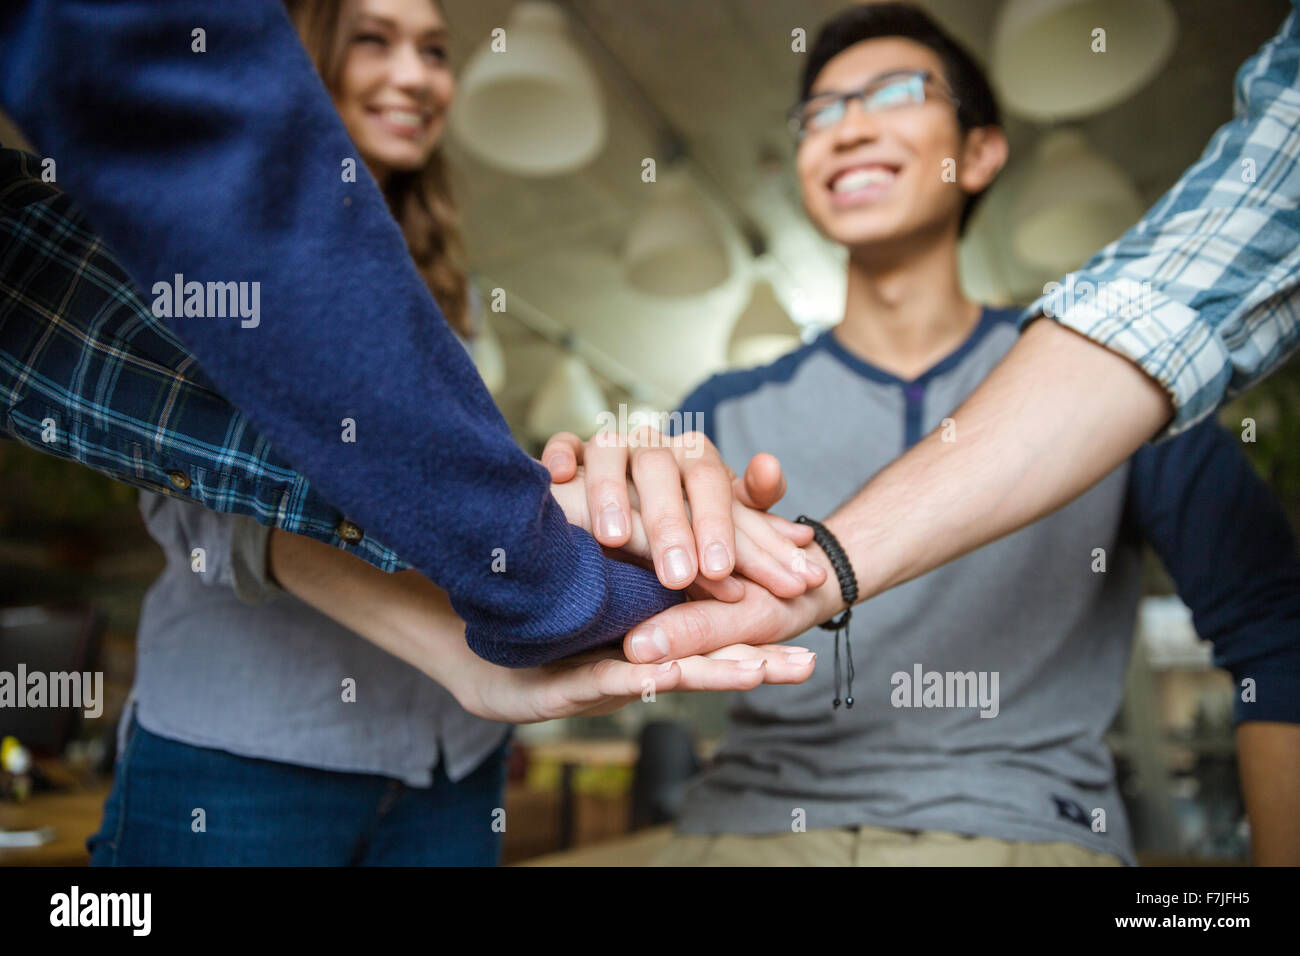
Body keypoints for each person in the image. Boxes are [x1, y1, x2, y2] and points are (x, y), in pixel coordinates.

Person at [0, 0, 815, 866]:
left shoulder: (451, 304)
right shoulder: (194, 241)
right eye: (376, 40)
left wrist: (585, 502)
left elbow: (447, 492)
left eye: (434, 50)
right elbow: (203, 491)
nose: (416, 74)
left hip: (451, 764)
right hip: (256, 752)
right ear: (307, 59)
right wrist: (495, 625)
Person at [546, 3, 1300, 866]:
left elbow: (1272, 634)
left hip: (1014, 827)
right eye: (819, 113)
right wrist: (573, 524)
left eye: (897, 93)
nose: (849, 127)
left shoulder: (1122, 384)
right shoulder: (716, 411)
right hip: (748, 828)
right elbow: (613, 628)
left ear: (979, 152)